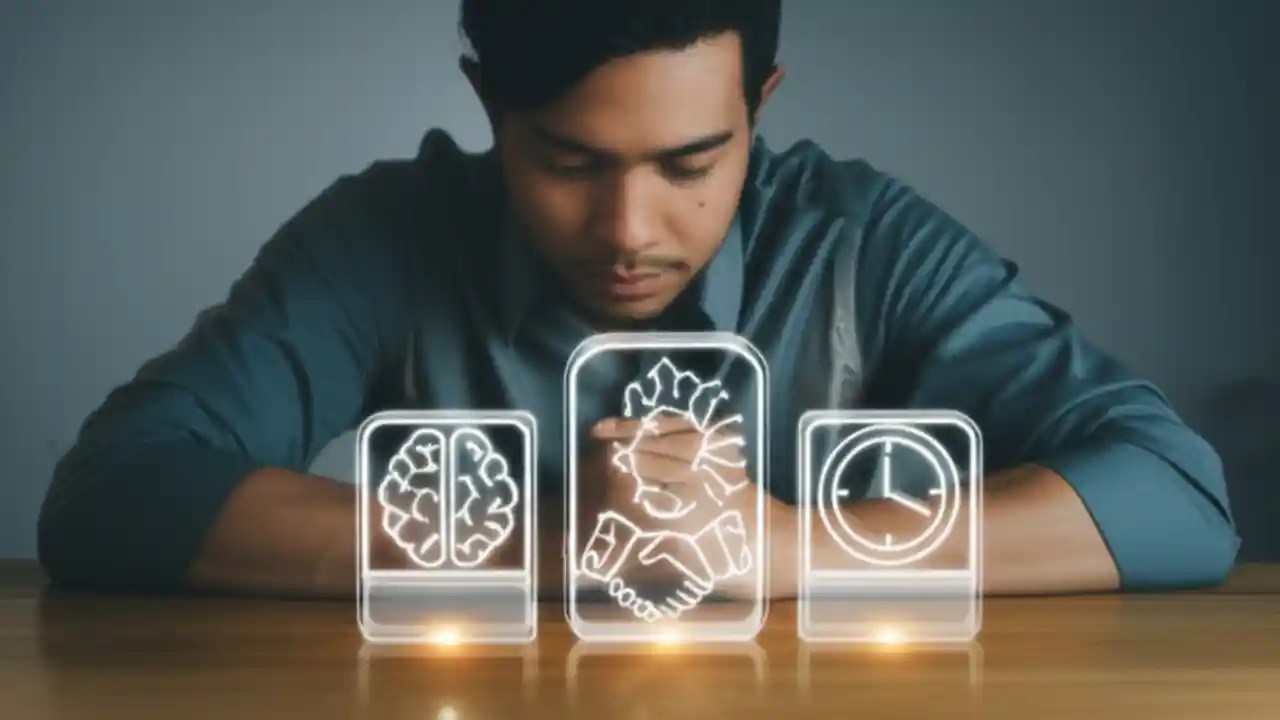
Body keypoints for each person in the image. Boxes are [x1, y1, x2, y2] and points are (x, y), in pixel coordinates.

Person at [37, 0, 1238, 599]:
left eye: (689, 165)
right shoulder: (385, 234)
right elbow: (113, 495)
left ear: (759, 106)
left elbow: (1177, 496)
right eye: (566, 163)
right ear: (486, 106)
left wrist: (779, 549)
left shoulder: (858, 236)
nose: (627, 233)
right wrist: (556, 547)